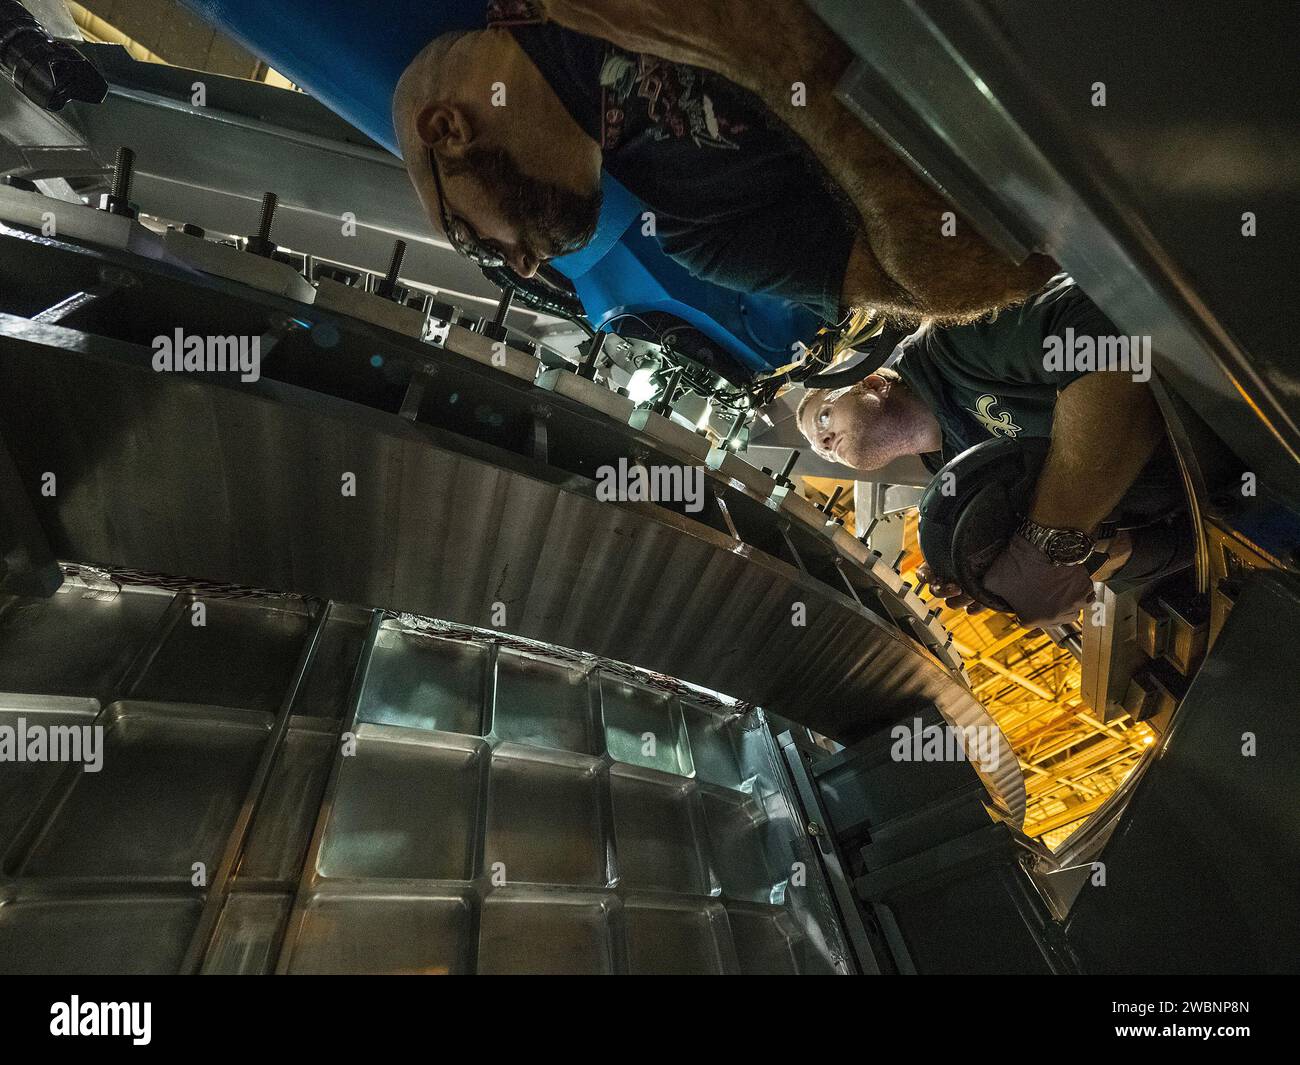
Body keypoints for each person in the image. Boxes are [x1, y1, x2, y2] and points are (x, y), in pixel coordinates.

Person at [392, 0, 1057, 330]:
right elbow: (990, 271)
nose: (523, 266)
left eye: (472, 240)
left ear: (446, 130)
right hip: (1050, 109)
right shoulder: (698, 233)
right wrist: (770, 59)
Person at [797, 275, 1188, 627]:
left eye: (823, 417)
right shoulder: (965, 482)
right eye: (821, 450)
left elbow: (1109, 336)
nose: (825, 443)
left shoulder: (951, 344)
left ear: (872, 384)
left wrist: (1041, 546)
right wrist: (1004, 569)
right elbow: (1175, 543)